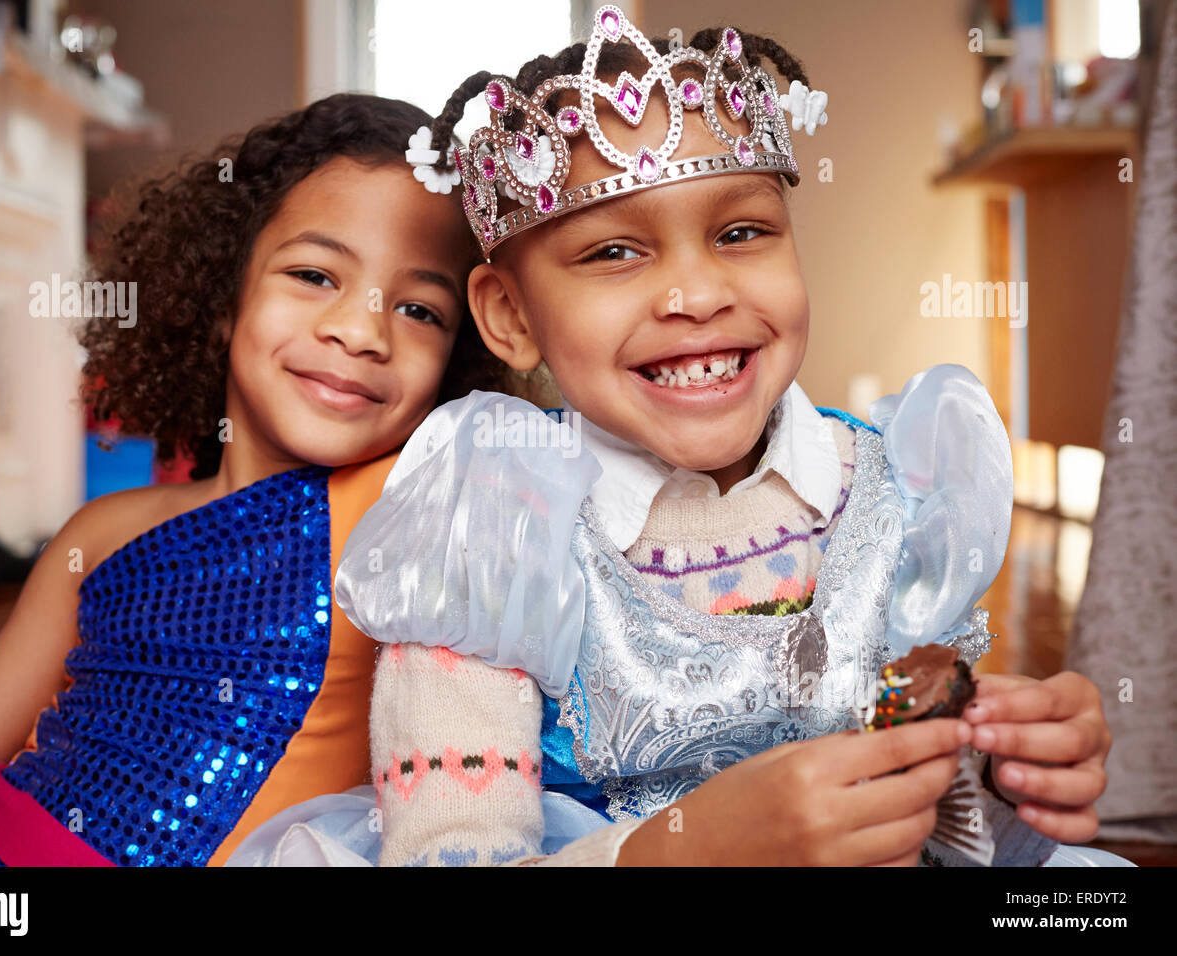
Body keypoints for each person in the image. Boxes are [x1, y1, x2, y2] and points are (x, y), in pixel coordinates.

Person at [232, 6, 1125, 868]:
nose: (696, 295)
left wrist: (1005, 783)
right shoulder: (493, 534)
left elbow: (947, 831)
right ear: (509, 316)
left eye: (741, 233)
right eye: (614, 254)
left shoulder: (899, 487)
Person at [0, 92, 504, 866]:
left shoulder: (413, 503)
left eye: (419, 311)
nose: (361, 330)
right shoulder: (102, 531)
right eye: (314, 275)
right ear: (221, 302)